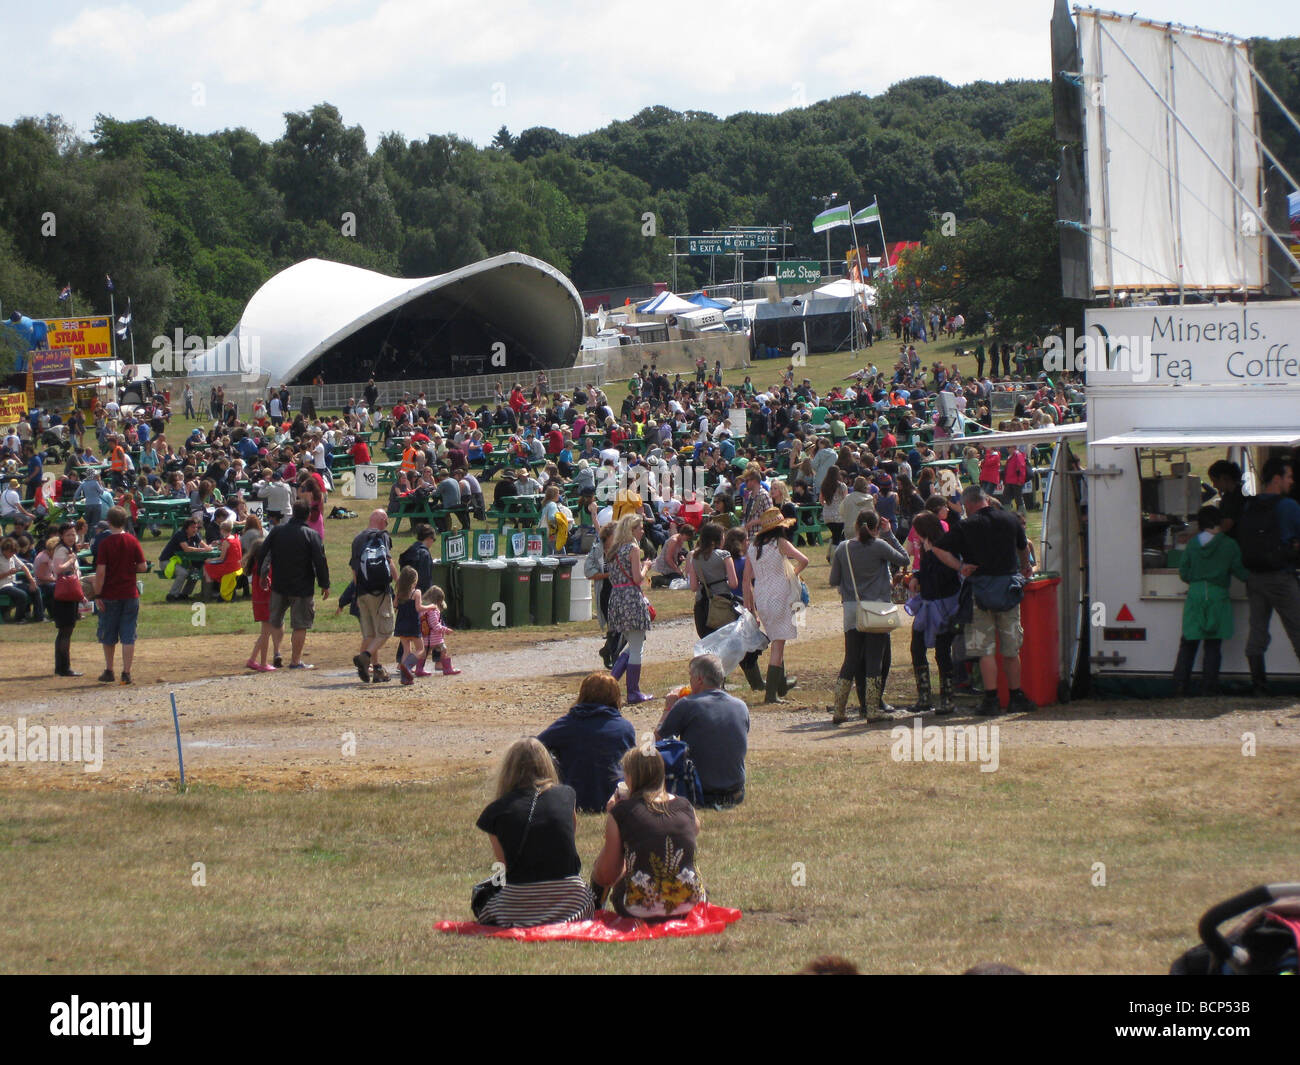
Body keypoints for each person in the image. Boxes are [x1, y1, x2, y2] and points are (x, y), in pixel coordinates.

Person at [929, 485, 1037, 716]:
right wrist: (1025, 566)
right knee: (1011, 648)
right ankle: (1016, 695)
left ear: (968, 504)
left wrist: (960, 566)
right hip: (1008, 589)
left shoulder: (967, 525)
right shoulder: (1010, 519)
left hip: (980, 591)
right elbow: (1023, 546)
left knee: (985, 649)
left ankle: (991, 699)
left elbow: (938, 549)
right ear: (986, 499)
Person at [473, 739, 595, 927]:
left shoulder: (495, 812)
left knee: (480, 895)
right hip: (574, 904)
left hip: (518, 907)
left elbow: (505, 868)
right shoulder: (567, 795)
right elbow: (568, 845)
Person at [593, 745, 705, 919]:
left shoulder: (622, 813)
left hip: (640, 908)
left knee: (605, 867)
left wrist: (614, 815)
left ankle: (595, 909)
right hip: (691, 905)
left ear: (630, 778)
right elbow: (693, 829)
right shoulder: (685, 806)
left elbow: (607, 874)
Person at [827, 510, 908, 723]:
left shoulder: (843, 548)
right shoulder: (879, 546)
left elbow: (833, 579)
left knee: (851, 659)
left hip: (852, 608)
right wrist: (889, 534)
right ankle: (872, 710)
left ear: (855, 525)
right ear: (875, 527)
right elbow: (904, 558)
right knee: (874, 659)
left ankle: (839, 709)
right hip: (876, 609)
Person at [1172, 506, 1249, 697]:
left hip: (1196, 594)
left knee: (1189, 642)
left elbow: (1184, 572)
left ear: (1200, 523)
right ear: (1220, 522)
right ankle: (1209, 687)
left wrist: (1196, 580)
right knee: (1213, 644)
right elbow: (1241, 572)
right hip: (1217, 594)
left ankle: (1180, 685)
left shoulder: (1192, 544)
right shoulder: (1229, 545)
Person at [1239, 457, 1300, 696]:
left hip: (1254, 577)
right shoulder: (1288, 506)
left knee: (1257, 631)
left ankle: (1259, 686)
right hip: (1280, 577)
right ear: (1277, 479)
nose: (1292, 481)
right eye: (1289, 476)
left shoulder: (1248, 506)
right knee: (1297, 628)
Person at [655, 653, 749, 807]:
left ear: (699, 679)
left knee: (651, 757)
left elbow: (658, 740)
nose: (690, 681)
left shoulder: (687, 705)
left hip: (700, 791)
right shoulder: (740, 706)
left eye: (691, 676)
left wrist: (669, 707)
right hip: (736, 791)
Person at [536, 671, 636, 814]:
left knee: (548, 755)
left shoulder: (568, 724)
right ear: (616, 696)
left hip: (573, 799)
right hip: (613, 799)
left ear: (582, 694)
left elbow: (534, 747)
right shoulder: (625, 728)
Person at [743, 507, 808, 703]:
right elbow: (804, 560)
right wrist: (793, 573)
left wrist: (750, 606)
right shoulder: (780, 543)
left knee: (776, 637)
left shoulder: (754, 547)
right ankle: (771, 694)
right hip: (780, 594)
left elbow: (747, 578)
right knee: (779, 645)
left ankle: (780, 685)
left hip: (762, 596)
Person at [259, 500, 330, 670]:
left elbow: (263, 552)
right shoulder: (311, 534)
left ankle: (277, 652)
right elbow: (320, 561)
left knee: (276, 620)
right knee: (300, 625)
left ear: (292, 514)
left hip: (279, 584)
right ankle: (295, 661)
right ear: (307, 515)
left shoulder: (277, 531)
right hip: (302, 587)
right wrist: (324, 584)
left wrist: (261, 576)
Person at [907, 510, 963, 715]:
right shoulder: (926, 547)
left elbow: (946, 576)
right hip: (927, 603)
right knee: (917, 647)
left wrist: (930, 555)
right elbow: (926, 571)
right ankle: (924, 696)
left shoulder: (943, 546)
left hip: (945, 605)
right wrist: (917, 577)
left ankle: (947, 698)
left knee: (942, 652)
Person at [92, 505, 147, 685]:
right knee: (128, 635)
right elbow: (142, 566)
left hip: (110, 593)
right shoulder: (132, 540)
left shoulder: (105, 543)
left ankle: (109, 669)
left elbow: (100, 572)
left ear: (108, 522)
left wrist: (97, 594)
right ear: (124, 521)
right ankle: (127, 672)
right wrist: (128, 568)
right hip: (130, 593)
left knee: (109, 634)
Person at [606, 513, 654, 704]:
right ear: (631, 530)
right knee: (636, 648)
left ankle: (609, 684)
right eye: (639, 528)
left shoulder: (614, 549)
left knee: (632, 643)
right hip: (631, 598)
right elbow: (637, 578)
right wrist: (646, 567)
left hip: (617, 597)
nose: (642, 530)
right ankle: (632, 692)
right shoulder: (633, 548)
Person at [350, 509, 397, 684]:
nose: (386, 526)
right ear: (383, 520)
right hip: (380, 591)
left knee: (371, 634)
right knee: (386, 630)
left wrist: (357, 592)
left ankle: (376, 668)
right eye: (386, 522)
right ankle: (366, 657)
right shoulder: (382, 535)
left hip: (362, 591)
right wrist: (399, 584)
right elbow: (389, 562)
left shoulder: (357, 539)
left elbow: (354, 569)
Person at [48, 522, 86, 676]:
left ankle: (61, 667)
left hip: (69, 593)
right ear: (62, 536)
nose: (72, 537)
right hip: (65, 594)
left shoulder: (68, 549)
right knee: (66, 631)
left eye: (73, 534)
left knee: (65, 631)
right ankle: (64, 667)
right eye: (68, 535)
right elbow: (58, 569)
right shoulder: (61, 550)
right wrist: (71, 561)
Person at [245, 533, 279, 672]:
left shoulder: (255, 565)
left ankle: (252, 660)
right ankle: (263, 663)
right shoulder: (264, 567)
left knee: (266, 632)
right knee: (266, 633)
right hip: (266, 601)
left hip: (260, 602)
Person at [417, 584, 458, 676]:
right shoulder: (433, 611)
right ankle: (447, 668)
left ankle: (419, 669)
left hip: (426, 637)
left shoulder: (424, 609)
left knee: (425, 653)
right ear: (438, 600)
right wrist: (446, 630)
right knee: (443, 649)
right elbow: (435, 626)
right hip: (434, 638)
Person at [202, 518, 243, 601]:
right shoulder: (235, 538)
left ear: (222, 530)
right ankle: (212, 589)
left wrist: (209, 560)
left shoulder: (226, 542)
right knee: (210, 565)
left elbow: (221, 558)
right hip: (238, 565)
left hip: (229, 567)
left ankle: (208, 591)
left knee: (206, 566)